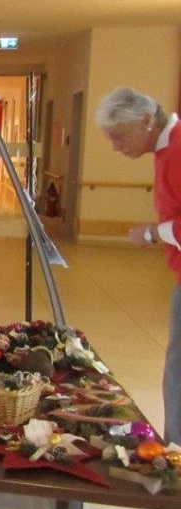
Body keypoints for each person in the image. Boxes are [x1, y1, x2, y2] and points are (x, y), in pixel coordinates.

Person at [96, 87, 181, 444]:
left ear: (146, 121)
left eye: (119, 137)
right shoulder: (166, 149)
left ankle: (175, 457)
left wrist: (151, 234)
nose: (116, 147)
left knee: (177, 373)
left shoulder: (177, 151)